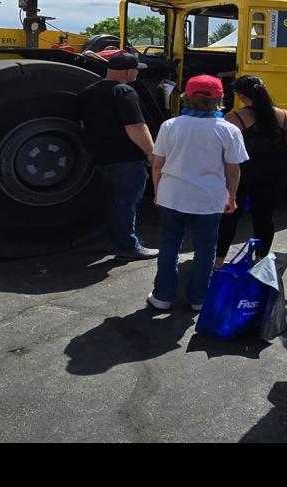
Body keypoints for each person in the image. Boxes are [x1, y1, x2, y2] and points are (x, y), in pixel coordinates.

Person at [147, 74, 248, 310]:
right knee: (205, 249)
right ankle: (198, 299)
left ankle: (162, 296)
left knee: (169, 245)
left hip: (172, 195)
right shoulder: (228, 130)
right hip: (208, 199)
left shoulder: (170, 125)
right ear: (220, 99)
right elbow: (233, 170)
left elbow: (157, 164)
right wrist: (231, 196)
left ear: (187, 97)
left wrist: (157, 190)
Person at [213, 76, 287, 268]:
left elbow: (222, 151)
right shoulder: (284, 116)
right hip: (274, 173)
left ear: (240, 95)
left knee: (229, 217)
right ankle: (260, 261)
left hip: (243, 173)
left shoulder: (234, 118)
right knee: (264, 217)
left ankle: (218, 262)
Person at [76, 49, 158, 260]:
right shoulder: (124, 92)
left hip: (100, 157)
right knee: (126, 202)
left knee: (111, 202)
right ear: (130, 72)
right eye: (136, 71)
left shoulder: (88, 91)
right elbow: (136, 127)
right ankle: (128, 247)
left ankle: (111, 241)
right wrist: (151, 152)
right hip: (126, 159)